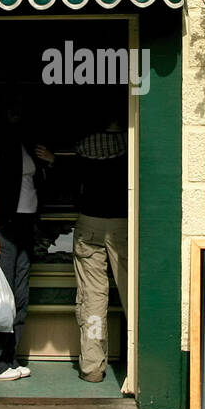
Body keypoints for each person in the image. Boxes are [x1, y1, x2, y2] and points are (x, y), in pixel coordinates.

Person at [0, 99, 53, 380]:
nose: (15, 113)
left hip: (25, 226)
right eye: (10, 108)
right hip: (2, 227)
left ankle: (9, 359)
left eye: (19, 108)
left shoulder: (26, 142)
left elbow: (36, 184)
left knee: (19, 295)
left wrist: (49, 162)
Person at [71, 101, 129, 387]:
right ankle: (138, 363)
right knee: (133, 295)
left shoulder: (85, 145)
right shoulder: (133, 142)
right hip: (123, 224)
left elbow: (74, 185)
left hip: (89, 223)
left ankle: (93, 368)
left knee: (93, 297)